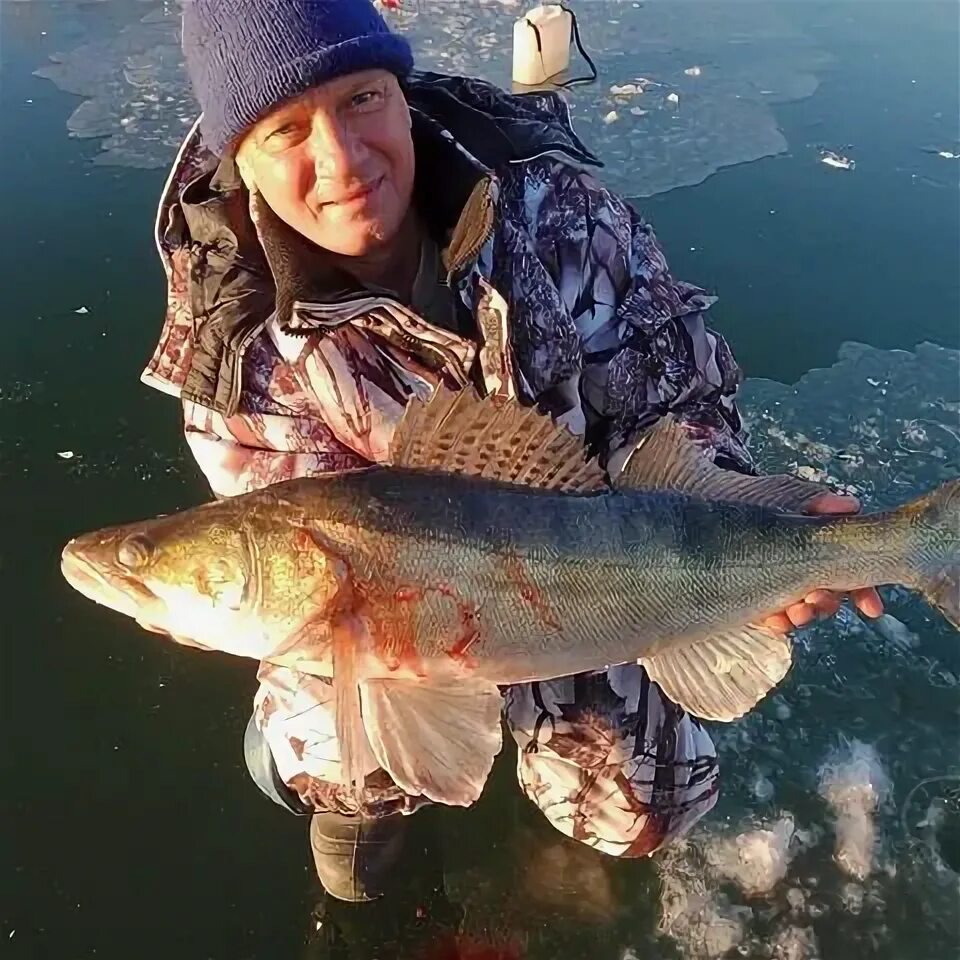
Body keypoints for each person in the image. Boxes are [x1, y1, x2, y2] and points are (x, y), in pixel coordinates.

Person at [144, 0, 883, 903]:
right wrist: (198, 598)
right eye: (284, 129)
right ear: (238, 156)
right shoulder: (231, 344)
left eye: (363, 98)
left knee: (645, 808)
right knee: (333, 748)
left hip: (607, 560)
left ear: (401, 91)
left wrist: (752, 526)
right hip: (401, 601)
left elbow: (681, 398)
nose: (341, 160)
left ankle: (559, 877)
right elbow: (300, 543)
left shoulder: (560, 205)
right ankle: (364, 838)